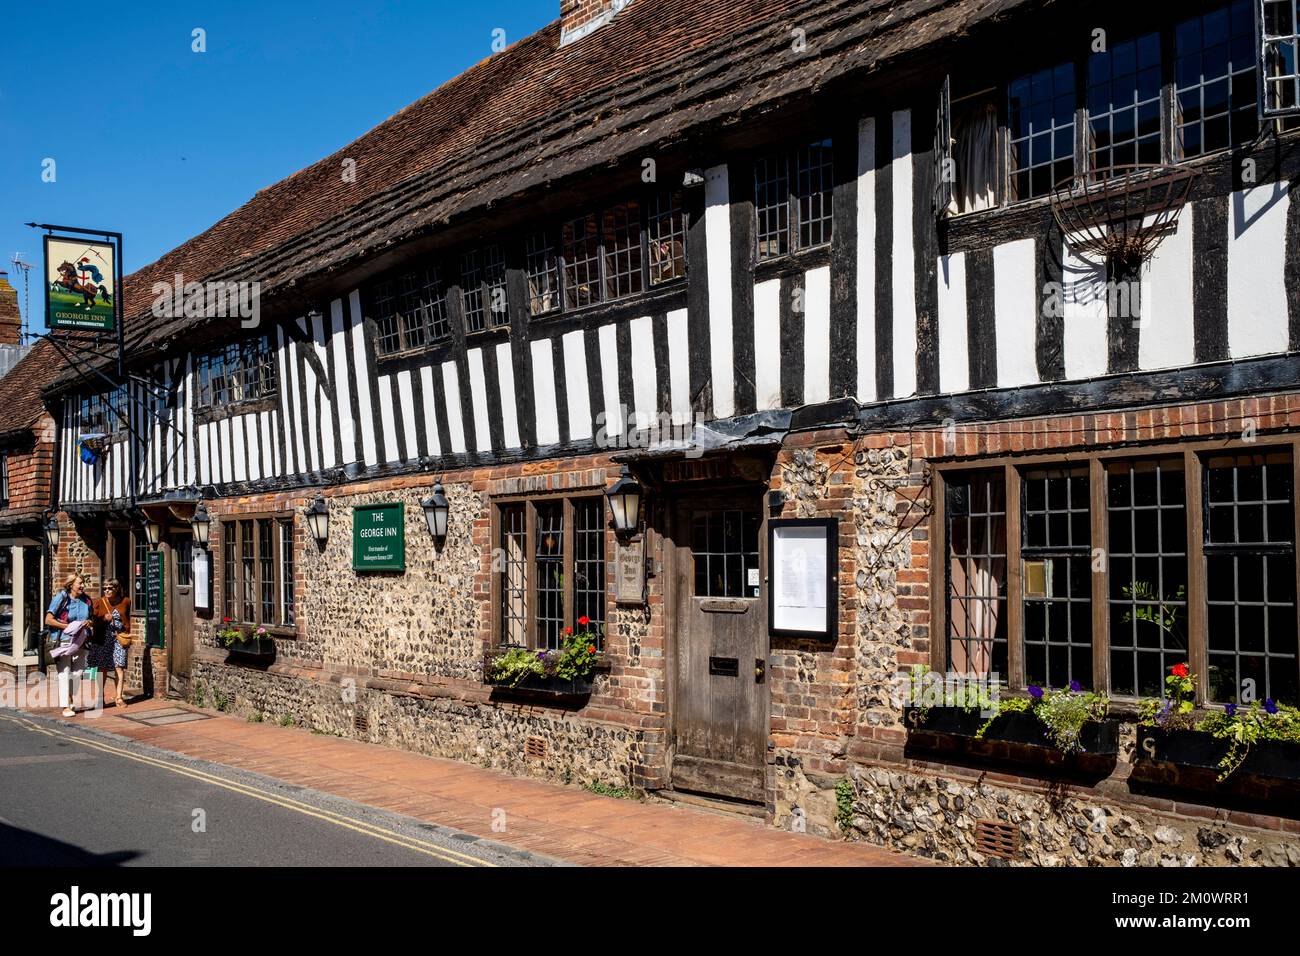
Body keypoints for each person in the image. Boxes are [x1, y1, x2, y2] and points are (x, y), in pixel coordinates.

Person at [45, 574, 92, 718]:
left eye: (83, 582)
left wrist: (88, 623)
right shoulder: (62, 598)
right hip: (63, 640)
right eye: (80, 583)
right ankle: (65, 705)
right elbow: (48, 620)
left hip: (81, 640)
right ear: (71, 584)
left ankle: (70, 695)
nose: (83, 585)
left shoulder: (86, 600)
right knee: (64, 672)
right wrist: (67, 626)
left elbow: (91, 618)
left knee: (78, 673)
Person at [91, 580, 132, 709]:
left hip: (119, 638)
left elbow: (127, 619)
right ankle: (99, 698)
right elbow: (93, 622)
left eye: (110, 588)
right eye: (105, 588)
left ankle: (119, 697)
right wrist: (104, 619)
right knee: (102, 668)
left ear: (116, 588)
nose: (107, 590)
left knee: (119, 667)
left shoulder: (126, 601)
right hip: (104, 638)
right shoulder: (99, 602)